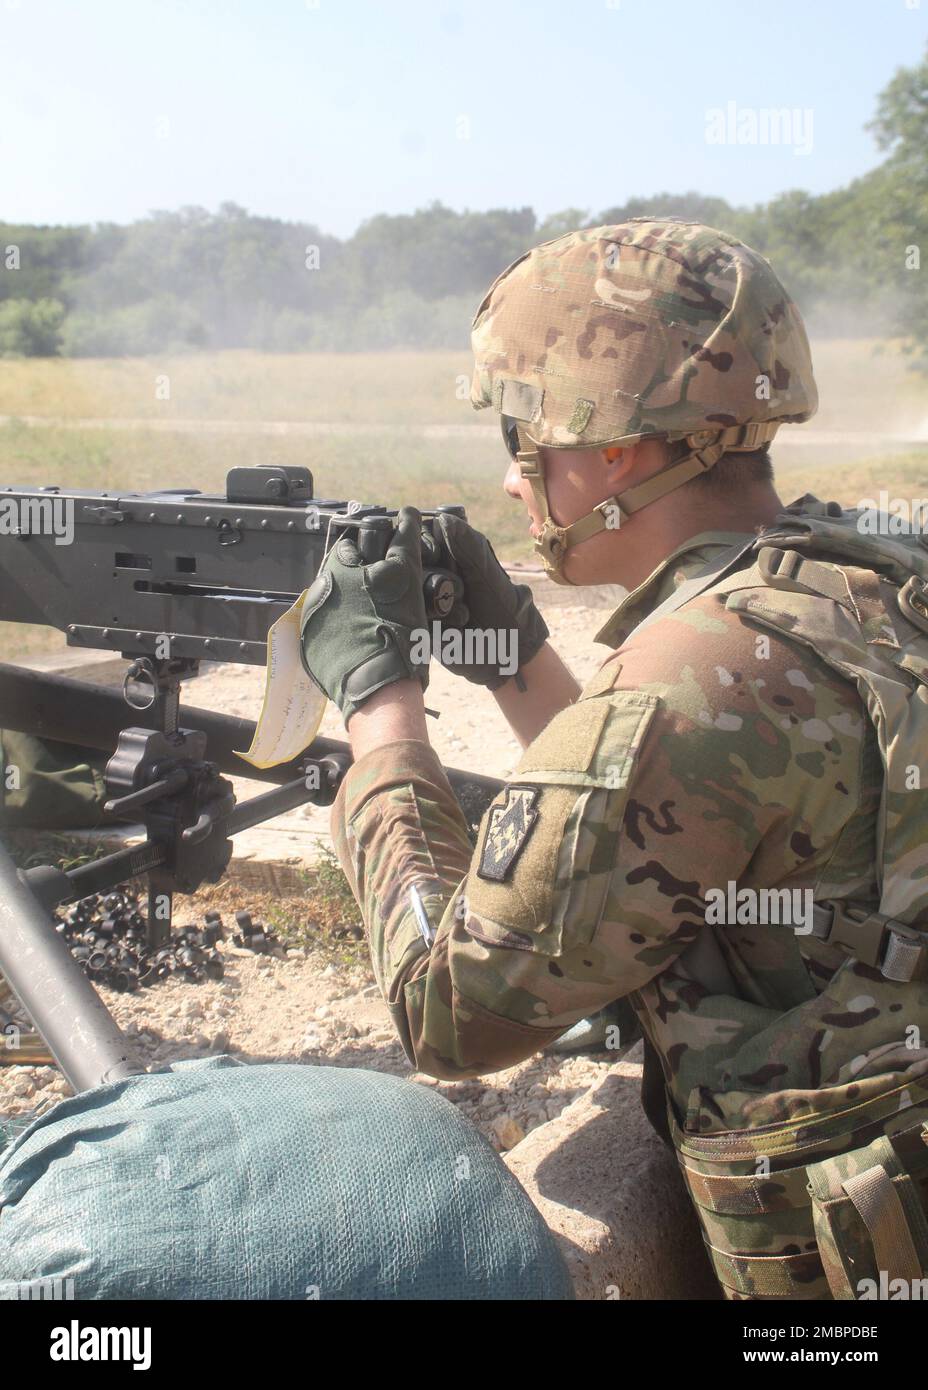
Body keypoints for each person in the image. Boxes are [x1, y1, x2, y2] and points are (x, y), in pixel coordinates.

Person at [301, 218, 928, 1301]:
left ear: (616, 453)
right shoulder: (862, 585)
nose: (511, 479)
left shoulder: (690, 677)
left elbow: (452, 1012)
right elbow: (663, 826)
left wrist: (380, 705)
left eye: (523, 436)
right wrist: (512, 653)